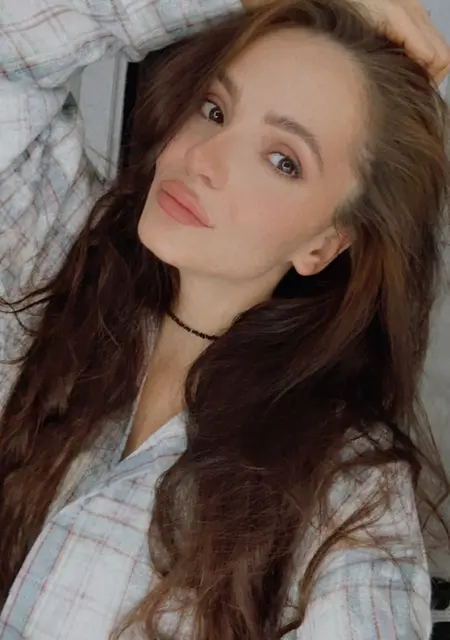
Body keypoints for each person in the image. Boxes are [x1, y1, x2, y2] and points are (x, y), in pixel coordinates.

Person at [0, 0, 449, 638]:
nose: (203, 159)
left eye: (283, 160)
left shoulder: (346, 497)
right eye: (214, 110)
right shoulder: (55, 262)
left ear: (324, 245)